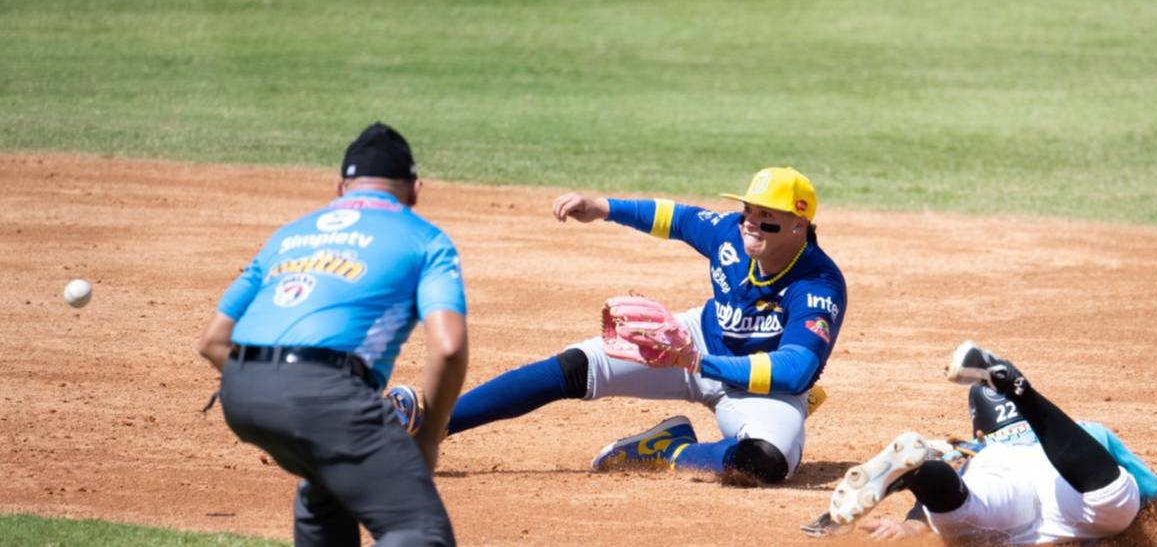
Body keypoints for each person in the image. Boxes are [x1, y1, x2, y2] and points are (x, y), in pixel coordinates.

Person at [392, 167, 846, 484]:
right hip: (695, 343)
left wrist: (701, 363)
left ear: (798, 224)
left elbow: (795, 370)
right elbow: (678, 218)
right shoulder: (731, 234)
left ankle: (669, 450)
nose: (750, 223)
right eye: (748, 209)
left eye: (766, 217)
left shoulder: (818, 284)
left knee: (764, 463)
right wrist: (604, 207)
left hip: (760, 390)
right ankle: (435, 424)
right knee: (576, 366)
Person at [194, 122, 469, 547]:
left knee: (327, 491)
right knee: (418, 532)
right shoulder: (427, 240)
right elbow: (449, 348)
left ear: (341, 187)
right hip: (327, 392)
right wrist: (429, 437)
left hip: (243, 394)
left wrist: (277, 387)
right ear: (415, 190)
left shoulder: (290, 234)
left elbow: (212, 341)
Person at [826, 340, 1157, 544]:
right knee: (1110, 495)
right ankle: (1024, 394)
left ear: (980, 430)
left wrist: (909, 527)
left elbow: (929, 512)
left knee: (958, 511)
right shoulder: (1090, 430)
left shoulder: (976, 449)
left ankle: (913, 475)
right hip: (1075, 490)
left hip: (1007, 491)